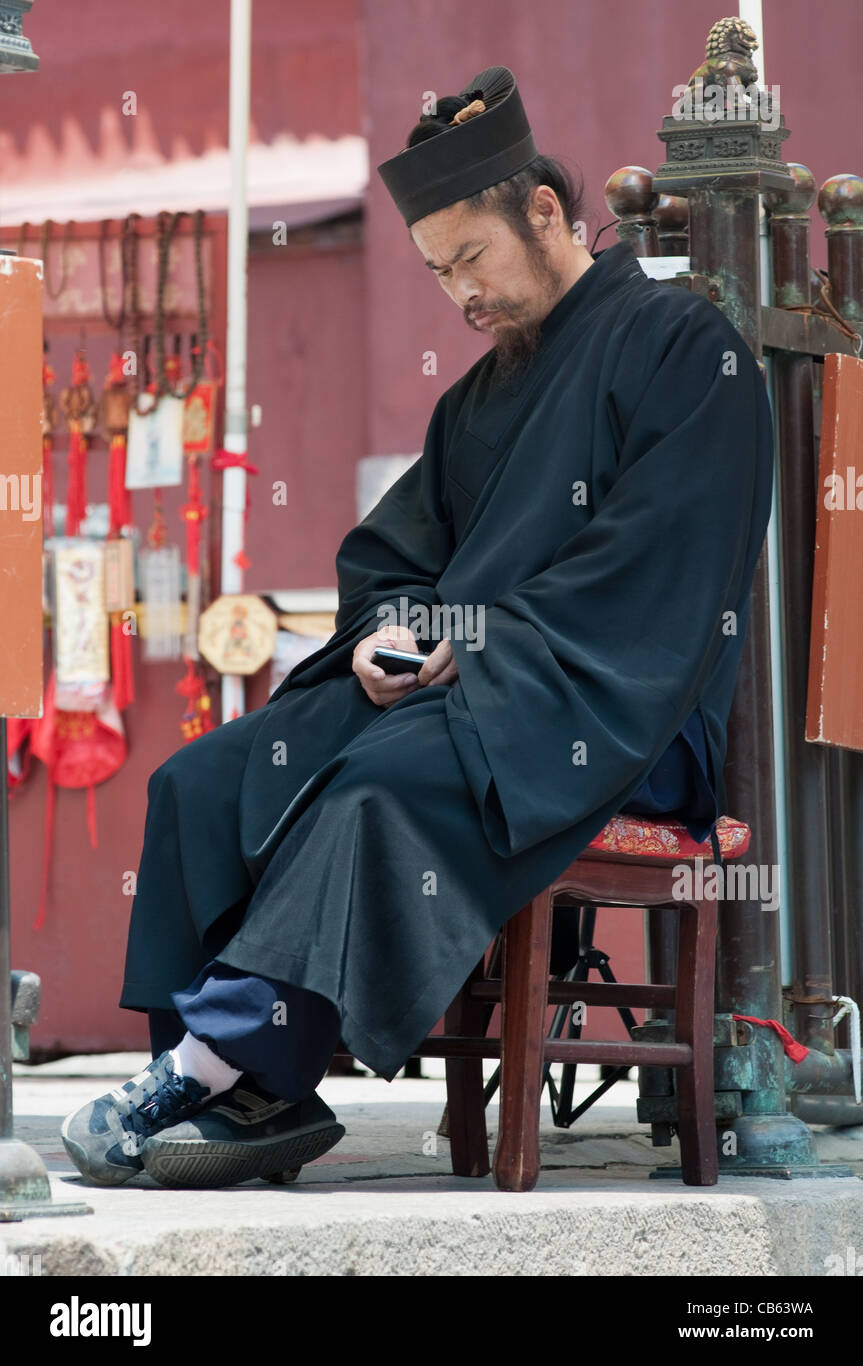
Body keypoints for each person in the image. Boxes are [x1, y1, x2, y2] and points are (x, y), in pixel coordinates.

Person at [62, 65, 774, 1190]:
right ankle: (261, 1103)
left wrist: (480, 640)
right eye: (439, 272)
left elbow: (656, 568)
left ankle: (215, 1062)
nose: (461, 298)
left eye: (473, 261)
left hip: (611, 701)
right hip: (463, 684)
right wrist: (393, 637)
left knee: (375, 780)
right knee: (202, 780)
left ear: (541, 212)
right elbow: (395, 564)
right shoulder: (478, 398)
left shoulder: (687, 349)